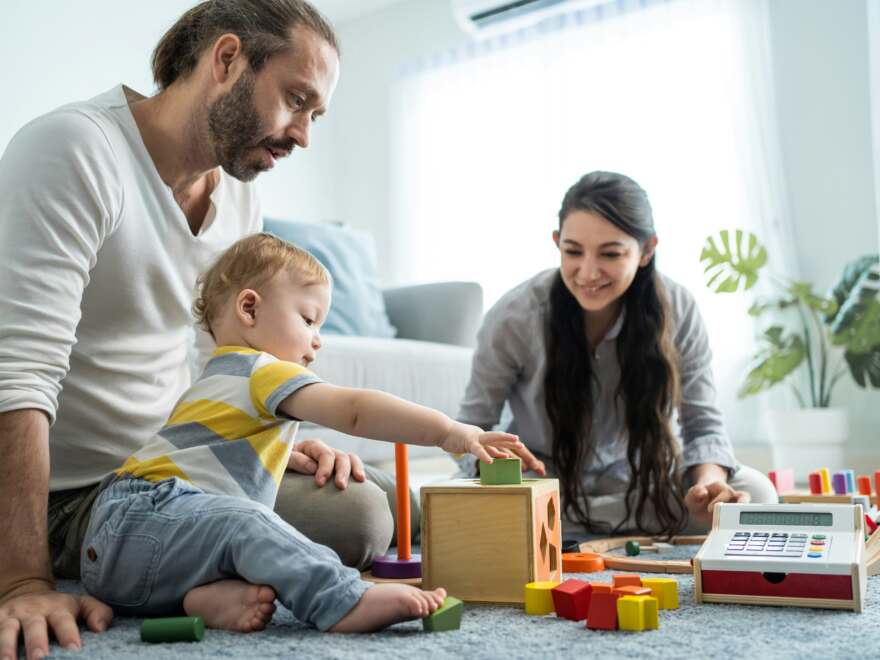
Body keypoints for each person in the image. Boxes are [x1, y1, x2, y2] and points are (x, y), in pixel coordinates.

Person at [0, 2, 399, 657]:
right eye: (296, 101)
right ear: (226, 60)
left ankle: (190, 572)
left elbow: (219, 358)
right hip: (75, 496)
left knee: (382, 496)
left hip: (177, 462)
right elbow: (19, 373)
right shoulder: (75, 150)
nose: (303, 135)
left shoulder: (238, 197)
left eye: (315, 115)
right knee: (355, 520)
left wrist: (256, 435)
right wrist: (20, 580)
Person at [80, 232, 522, 633]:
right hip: (141, 517)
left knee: (241, 526)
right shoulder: (260, 370)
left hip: (128, 551)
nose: (318, 340)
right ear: (249, 308)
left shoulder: (216, 376)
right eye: (309, 320)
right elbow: (353, 411)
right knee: (252, 520)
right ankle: (342, 599)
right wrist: (448, 431)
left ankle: (200, 601)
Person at [456, 171, 777, 538]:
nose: (588, 272)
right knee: (464, 512)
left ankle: (574, 529)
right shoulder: (515, 315)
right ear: (557, 242)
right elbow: (471, 427)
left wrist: (709, 487)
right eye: (573, 251)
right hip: (544, 490)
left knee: (759, 494)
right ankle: (569, 525)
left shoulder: (679, 307)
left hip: (645, 487)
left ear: (647, 250)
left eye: (610, 253)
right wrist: (496, 461)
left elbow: (702, 424)